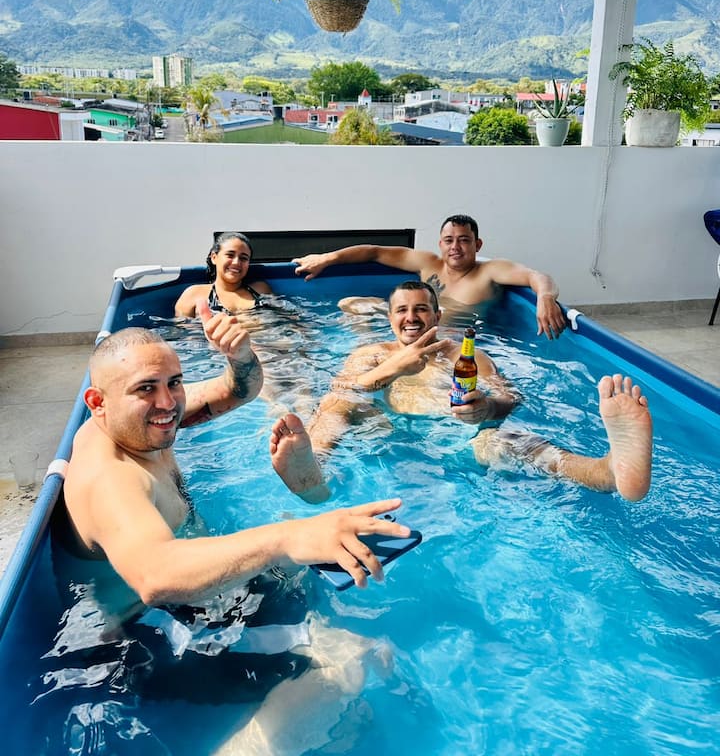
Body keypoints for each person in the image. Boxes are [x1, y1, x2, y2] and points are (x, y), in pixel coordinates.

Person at [57, 301, 412, 752]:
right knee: (346, 666)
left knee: (319, 598)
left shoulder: (142, 424)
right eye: (147, 388)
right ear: (97, 403)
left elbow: (236, 390)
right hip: (142, 641)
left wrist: (239, 356)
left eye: (175, 383)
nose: (168, 403)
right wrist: (290, 536)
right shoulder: (112, 477)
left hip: (190, 611)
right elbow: (156, 576)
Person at [295, 281, 652, 502]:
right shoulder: (371, 353)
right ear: (390, 319)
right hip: (384, 433)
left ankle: (606, 472)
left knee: (503, 440)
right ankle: (313, 469)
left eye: (421, 309)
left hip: (453, 441)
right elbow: (344, 389)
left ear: (436, 316)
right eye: (402, 310)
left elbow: (510, 397)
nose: (411, 317)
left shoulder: (466, 355)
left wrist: (486, 408)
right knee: (337, 404)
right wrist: (395, 368)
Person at [293, 213, 567, 339]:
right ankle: (371, 343)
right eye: (449, 240)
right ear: (440, 244)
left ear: (477, 245)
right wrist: (327, 258)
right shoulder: (428, 263)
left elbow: (536, 275)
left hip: (452, 339)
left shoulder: (490, 271)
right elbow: (374, 252)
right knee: (350, 304)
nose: (455, 247)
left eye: (463, 240)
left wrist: (544, 297)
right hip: (414, 328)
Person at [175, 231, 274, 317]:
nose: (236, 262)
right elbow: (181, 332)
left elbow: (281, 316)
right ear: (214, 257)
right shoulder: (194, 294)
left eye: (243, 258)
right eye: (230, 255)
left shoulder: (261, 289)